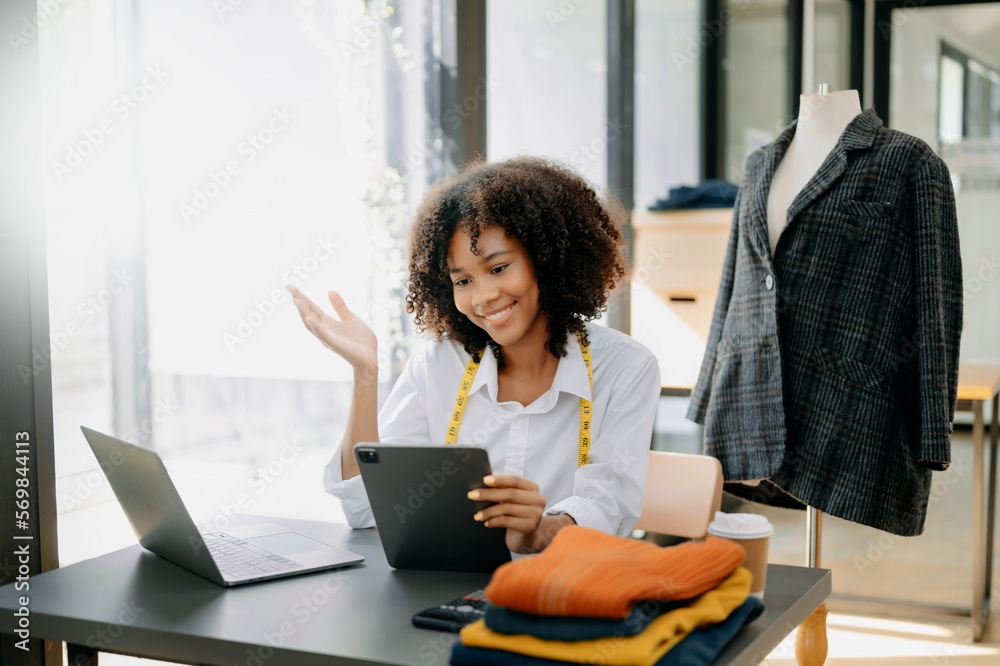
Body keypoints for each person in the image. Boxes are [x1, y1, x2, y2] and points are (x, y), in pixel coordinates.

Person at [289, 156, 661, 554]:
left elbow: (608, 505)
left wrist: (540, 531)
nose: (482, 296)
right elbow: (365, 509)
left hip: (560, 588)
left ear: (546, 260)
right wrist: (365, 374)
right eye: (463, 280)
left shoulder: (625, 369)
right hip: (449, 590)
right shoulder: (437, 364)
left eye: (499, 268)